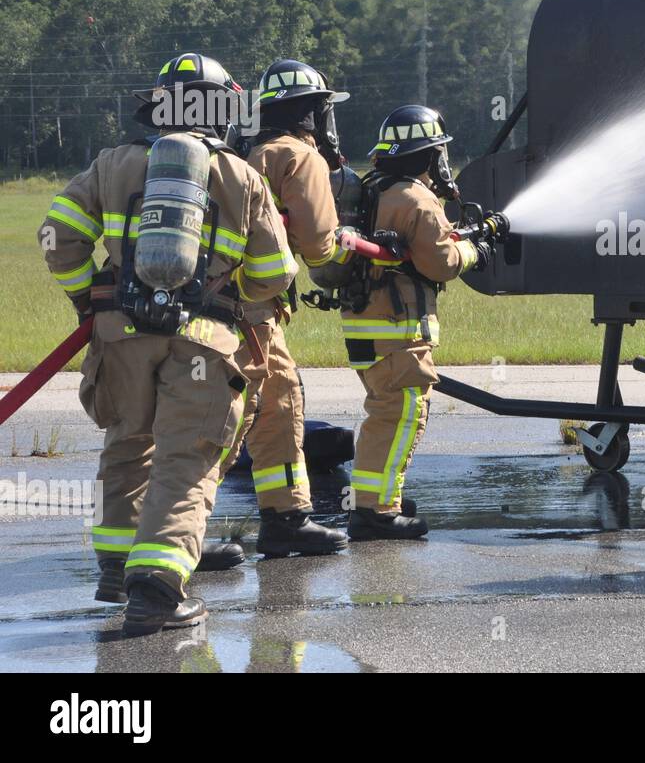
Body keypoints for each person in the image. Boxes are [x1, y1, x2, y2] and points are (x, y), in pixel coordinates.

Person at [40, 52, 297, 636]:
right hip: (203, 343)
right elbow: (275, 272)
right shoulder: (239, 173)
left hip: (121, 338)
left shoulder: (112, 163)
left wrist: (89, 298)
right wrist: (234, 290)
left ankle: (117, 568)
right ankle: (157, 591)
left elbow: (56, 237)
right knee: (187, 459)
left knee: (127, 444)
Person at [311, 105, 486, 540]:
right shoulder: (415, 198)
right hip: (399, 332)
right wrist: (475, 251)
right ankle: (374, 513)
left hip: (368, 330)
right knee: (400, 416)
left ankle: (378, 499)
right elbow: (441, 262)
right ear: (428, 155)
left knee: (387, 412)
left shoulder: (374, 189)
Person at [214, 59, 350, 558]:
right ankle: (181, 527)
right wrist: (348, 244)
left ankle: (285, 517)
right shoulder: (300, 157)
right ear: (312, 113)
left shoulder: (245, 156)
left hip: (223, 301)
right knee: (251, 407)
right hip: (252, 308)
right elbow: (318, 247)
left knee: (272, 405)